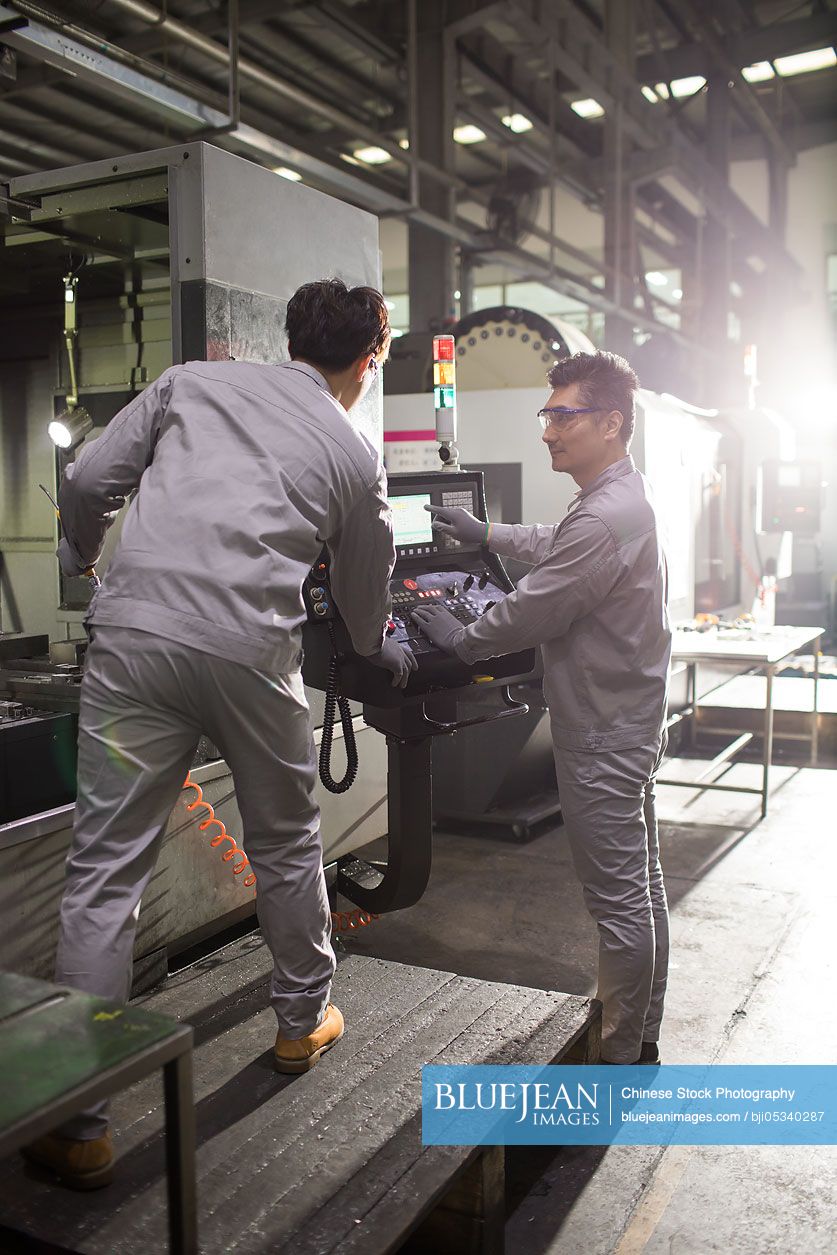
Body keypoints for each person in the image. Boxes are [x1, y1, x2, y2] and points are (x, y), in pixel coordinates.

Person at [24, 278, 415, 1189]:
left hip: (135, 640)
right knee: (284, 843)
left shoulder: (191, 383)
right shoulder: (355, 457)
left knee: (105, 874)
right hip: (250, 654)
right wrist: (376, 649)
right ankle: (299, 1020)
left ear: (289, 336)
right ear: (373, 352)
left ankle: (78, 1122)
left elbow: (85, 477)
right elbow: (366, 595)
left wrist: (84, 553)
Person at [413, 350, 671, 1066]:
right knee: (641, 887)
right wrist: (486, 534)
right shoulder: (620, 499)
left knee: (618, 902)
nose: (548, 430)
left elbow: (531, 610)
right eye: (546, 414)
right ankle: (640, 1031)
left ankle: (616, 1060)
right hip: (630, 715)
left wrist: (456, 639)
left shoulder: (603, 516)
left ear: (611, 422)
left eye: (564, 415)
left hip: (600, 729)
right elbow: (559, 545)